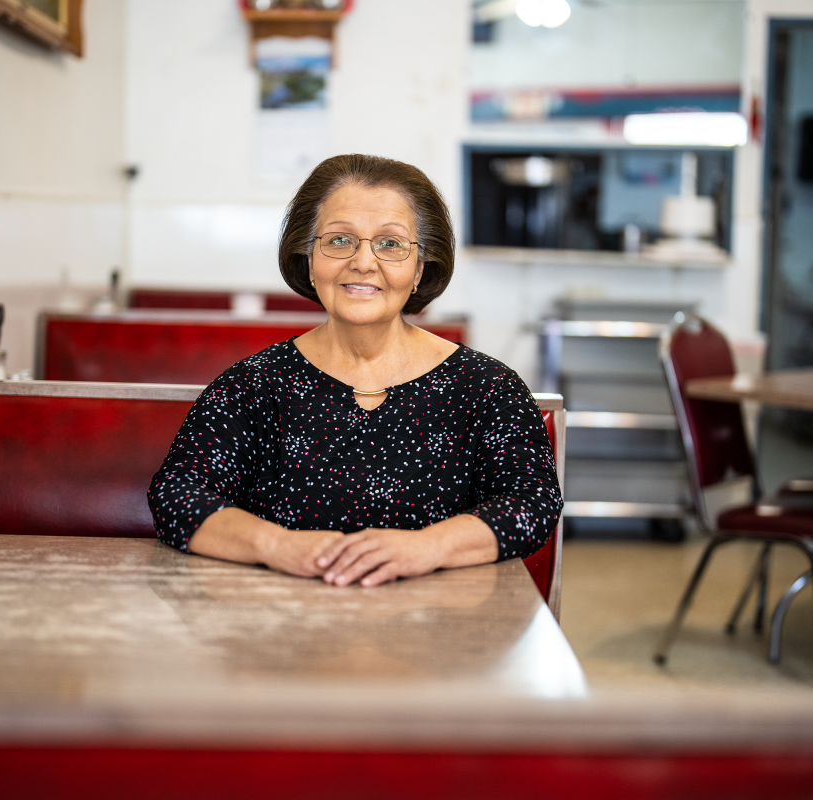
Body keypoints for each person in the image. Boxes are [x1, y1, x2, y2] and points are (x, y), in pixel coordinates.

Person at [149, 154, 562, 587]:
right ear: (309, 258)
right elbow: (177, 495)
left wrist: (428, 547)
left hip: (442, 635)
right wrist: (276, 546)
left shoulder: (487, 388)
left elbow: (531, 502)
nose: (363, 262)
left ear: (420, 267)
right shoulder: (255, 385)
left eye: (390, 243)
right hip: (280, 630)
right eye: (340, 240)